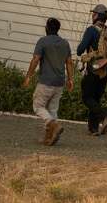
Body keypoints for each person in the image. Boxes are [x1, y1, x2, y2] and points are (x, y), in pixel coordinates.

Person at [23, 17, 73, 145]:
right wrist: (70, 79)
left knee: (38, 106)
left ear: (47, 28)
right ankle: (50, 137)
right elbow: (69, 62)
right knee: (52, 109)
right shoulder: (65, 43)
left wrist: (28, 76)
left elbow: (36, 59)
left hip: (46, 81)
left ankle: (53, 125)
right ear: (58, 29)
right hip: (60, 82)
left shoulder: (43, 41)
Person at [77, 3, 107, 136]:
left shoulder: (91, 30)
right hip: (106, 71)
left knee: (87, 97)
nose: (92, 15)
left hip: (94, 69)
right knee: (95, 99)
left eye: (94, 13)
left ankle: (104, 114)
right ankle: (94, 129)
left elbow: (80, 50)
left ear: (97, 16)